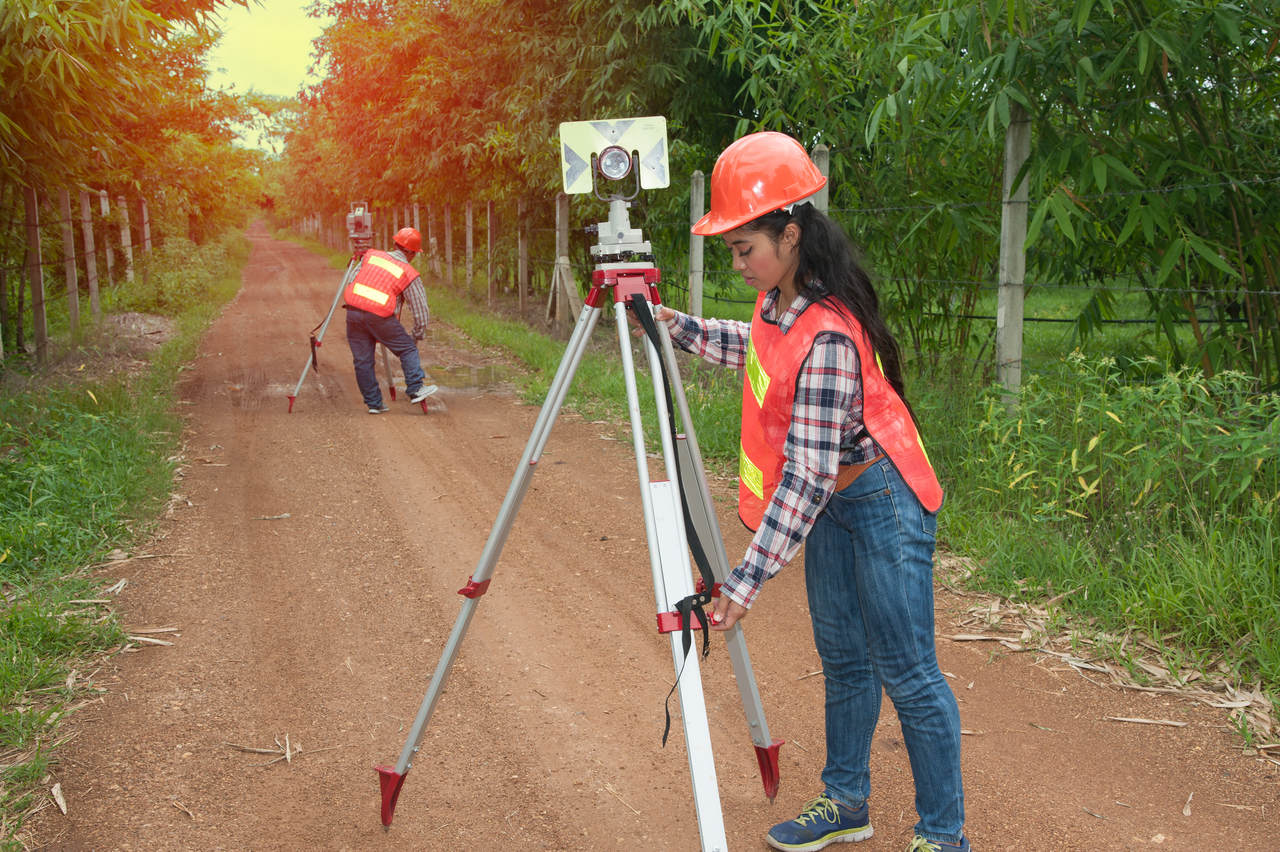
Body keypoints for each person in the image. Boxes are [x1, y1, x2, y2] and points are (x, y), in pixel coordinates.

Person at [656, 132, 968, 852]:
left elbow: (806, 475)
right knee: (844, 659)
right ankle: (847, 802)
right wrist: (678, 328)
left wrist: (743, 582)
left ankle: (942, 837)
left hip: (878, 499)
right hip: (832, 503)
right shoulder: (778, 303)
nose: (737, 265)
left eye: (745, 249)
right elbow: (758, 346)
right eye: (731, 250)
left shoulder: (827, 334)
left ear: (790, 236)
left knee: (908, 669)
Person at [343, 226, 438, 414]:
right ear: (411, 252)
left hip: (353, 312)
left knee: (362, 360)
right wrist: (418, 333)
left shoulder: (371, 256)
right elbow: (420, 309)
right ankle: (415, 388)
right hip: (379, 316)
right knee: (407, 348)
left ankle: (374, 404)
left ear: (395, 244)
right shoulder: (408, 272)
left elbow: (351, 281)